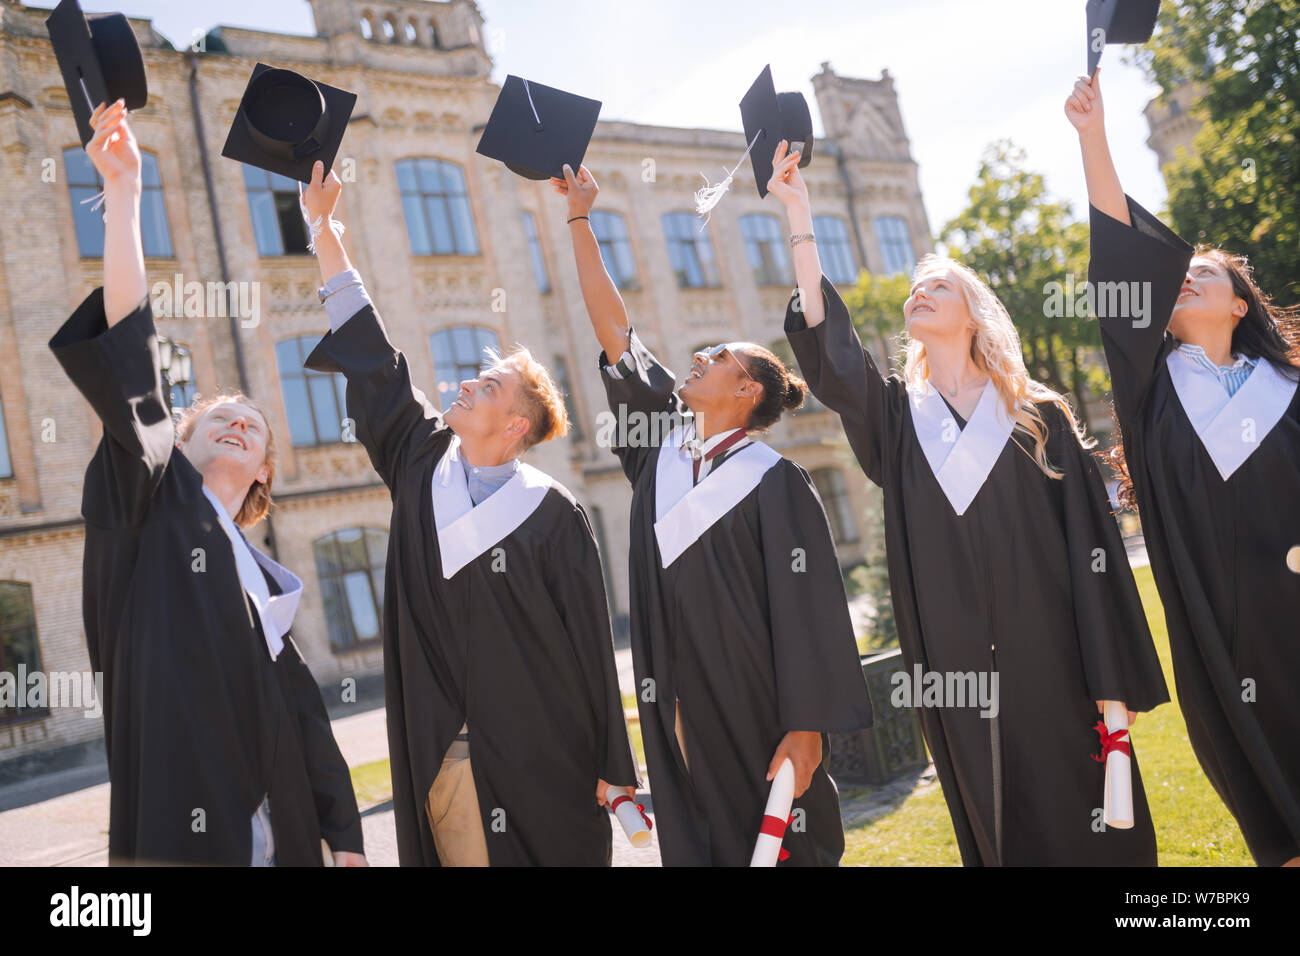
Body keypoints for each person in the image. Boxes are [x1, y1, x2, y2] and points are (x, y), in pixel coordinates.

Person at [770, 139, 1169, 866]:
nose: (918, 294)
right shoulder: (896, 419)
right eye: (914, 290)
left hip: (1054, 653)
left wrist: (1116, 678)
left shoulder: (1035, 416)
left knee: (1083, 813)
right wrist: (799, 212)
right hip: (952, 661)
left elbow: (1096, 551)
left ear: (975, 313)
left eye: (939, 288)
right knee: (995, 813)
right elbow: (837, 356)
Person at [48, 101, 366, 866]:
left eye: (252, 422)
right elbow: (131, 368)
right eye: (214, 414)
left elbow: (303, 716)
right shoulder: (146, 512)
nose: (235, 419)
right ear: (173, 443)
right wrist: (124, 197)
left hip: (284, 837)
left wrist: (344, 838)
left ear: (263, 471)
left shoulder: (263, 580)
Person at [299, 162, 637, 866]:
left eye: (487, 386)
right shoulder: (419, 463)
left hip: (550, 755)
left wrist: (614, 764)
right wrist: (324, 230)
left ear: (516, 426)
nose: (464, 385)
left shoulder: (553, 512)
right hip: (446, 754)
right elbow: (373, 359)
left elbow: (590, 650)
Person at [552, 163, 872, 867]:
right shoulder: (655, 448)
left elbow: (811, 608)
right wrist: (579, 218)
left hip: (762, 703)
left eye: (716, 355)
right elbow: (612, 327)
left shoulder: (776, 481)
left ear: (748, 388)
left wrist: (808, 726)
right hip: (676, 702)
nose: (697, 357)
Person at [1067, 71, 1300, 866]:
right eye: (1182, 270)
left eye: (1209, 271)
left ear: (1241, 304)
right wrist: (1093, 139)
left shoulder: (1291, 391)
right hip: (1226, 631)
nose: (1188, 273)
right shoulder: (1150, 386)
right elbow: (1119, 252)